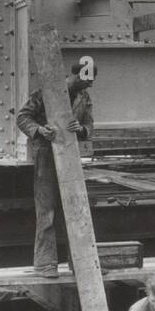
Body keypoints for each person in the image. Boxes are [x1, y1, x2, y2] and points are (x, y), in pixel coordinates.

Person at [14, 60, 96, 278]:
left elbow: (89, 125)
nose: (89, 87)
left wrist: (82, 130)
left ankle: (81, 263)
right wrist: (40, 130)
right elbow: (22, 117)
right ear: (76, 75)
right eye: (86, 81)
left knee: (76, 208)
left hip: (70, 154)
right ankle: (45, 264)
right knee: (47, 209)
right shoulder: (46, 92)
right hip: (46, 154)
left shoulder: (84, 97)